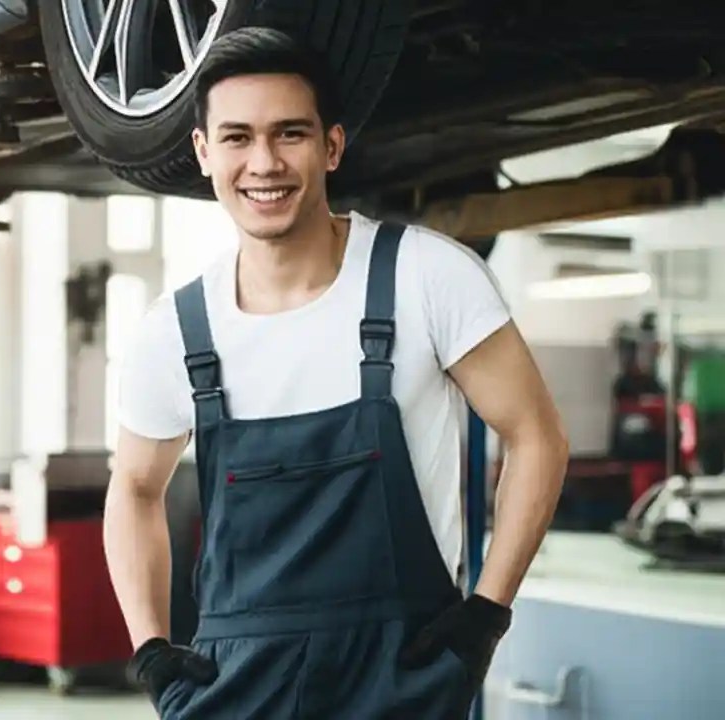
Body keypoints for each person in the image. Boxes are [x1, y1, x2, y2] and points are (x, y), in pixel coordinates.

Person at [103, 26, 570, 719]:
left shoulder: (426, 276)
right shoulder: (174, 331)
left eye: (289, 134)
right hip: (236, 689)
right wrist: (153, 653)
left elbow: (537, 437)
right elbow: (135, 488)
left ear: (332, 145)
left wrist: (483, 618)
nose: (264, 163)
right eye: (236, 138)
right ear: (204, 153)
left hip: (402, 679)